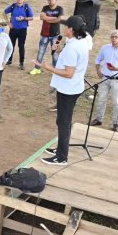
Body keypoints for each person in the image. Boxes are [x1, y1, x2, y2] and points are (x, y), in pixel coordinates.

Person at [33, 15, 90, 165]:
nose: (63, 28)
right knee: (63, 120)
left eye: (66, 26)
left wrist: (48, 68)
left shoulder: (73, 47)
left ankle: (61, 157)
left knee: (64, 122)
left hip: (68, 89)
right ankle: (60, 149)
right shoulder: (81, 41)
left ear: (71, 29)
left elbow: (69, 73)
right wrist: (61, 49)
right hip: (72, 88)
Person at [91, 30, 118, 132]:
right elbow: (97, 60)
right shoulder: (105, 48)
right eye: (112, 37)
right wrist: (98, 71)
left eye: (117, 37)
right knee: (101, 99)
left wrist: (117, 69)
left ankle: (116, 123)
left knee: (117, 102)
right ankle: (99, 119)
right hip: (105, 78)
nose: (114, 39)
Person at [30, 0, 64, 74]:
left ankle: (55, 70)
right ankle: (37, 68)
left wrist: (47, 19)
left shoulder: (60, 8)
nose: (51, 1)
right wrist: (55, 18)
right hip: (44, 34)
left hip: (56, 35)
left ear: (56, 0)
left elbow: (59, 19)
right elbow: (42, 17)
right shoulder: (45, 8)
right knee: (41, 52)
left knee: (55, 53)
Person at [3, 0, 33, 70]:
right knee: (10, 45)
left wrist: (24, 18)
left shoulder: (27, 7)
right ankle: (9, 60)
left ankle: (21, 63)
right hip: (13, 29)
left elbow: (31, 17)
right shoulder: (13, 6)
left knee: (21, 46)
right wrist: (8, 23)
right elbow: (4, 12)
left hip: (22, 29)